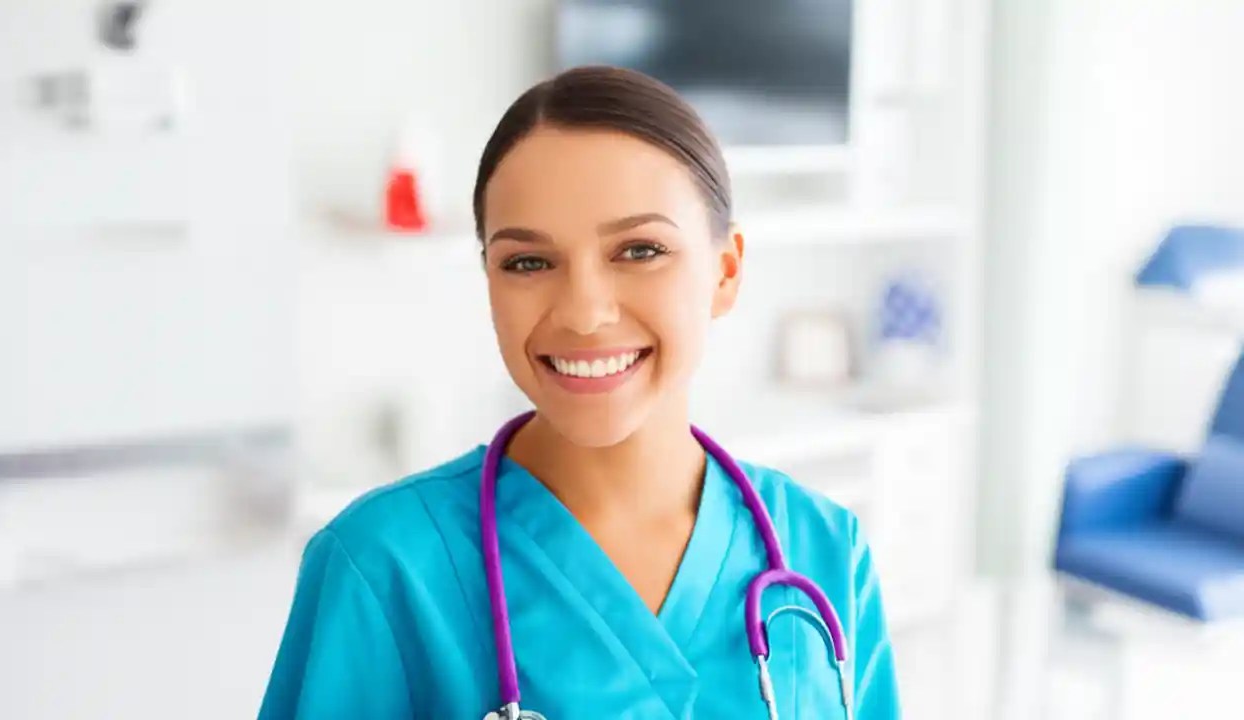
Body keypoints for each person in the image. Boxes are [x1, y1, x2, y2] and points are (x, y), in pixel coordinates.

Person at [258, 65, 900, 719]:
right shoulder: (383, 569)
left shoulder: (827, 552)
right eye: (528, 262)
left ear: (725, 272)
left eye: (640, 250)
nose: (584, 313)